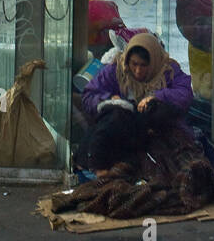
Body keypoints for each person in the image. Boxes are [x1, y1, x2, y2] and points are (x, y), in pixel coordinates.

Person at [79, 30, 194, 176]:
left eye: (144, 65)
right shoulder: (115, 71)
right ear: (127, 60)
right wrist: (109, 100)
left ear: (153, 62)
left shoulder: (169, 71)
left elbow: (185, 94)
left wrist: (157, 96)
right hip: (121, 131)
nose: (138, 70)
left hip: (158, 130)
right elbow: (89, 95)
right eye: (134, 64)